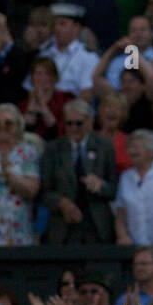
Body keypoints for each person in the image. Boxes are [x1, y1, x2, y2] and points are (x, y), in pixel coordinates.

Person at [39, 99, 118, 245]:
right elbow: (43, 191)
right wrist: (62, 202)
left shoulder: (104, 147)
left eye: (79, 123)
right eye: (69, 123)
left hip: (97, 227)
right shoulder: (53, 149)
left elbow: (113, 189)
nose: (73, 128)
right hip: (63, 227)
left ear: (90, 121)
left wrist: (101, 186)